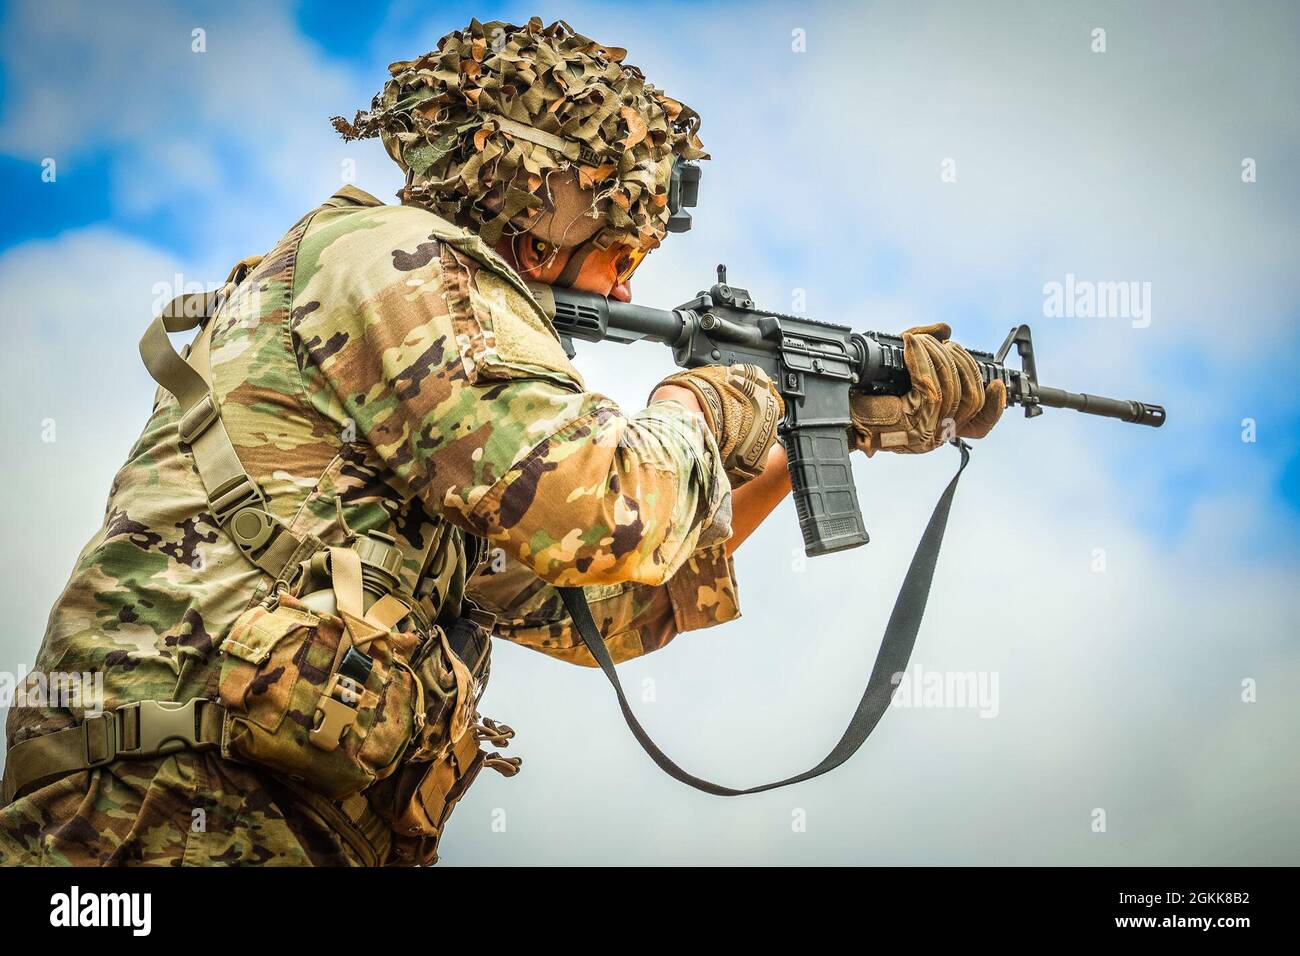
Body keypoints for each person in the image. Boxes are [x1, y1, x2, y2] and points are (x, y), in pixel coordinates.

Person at [0, 17, 1001, 867]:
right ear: (537, 223)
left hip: (210, 808)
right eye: (621, 253)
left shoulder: (420, 360)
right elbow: (602, 514)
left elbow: (601, 607)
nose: (622, 290)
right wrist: (708, 400)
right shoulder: (401, 259)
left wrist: (819, 428)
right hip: (160, 809)